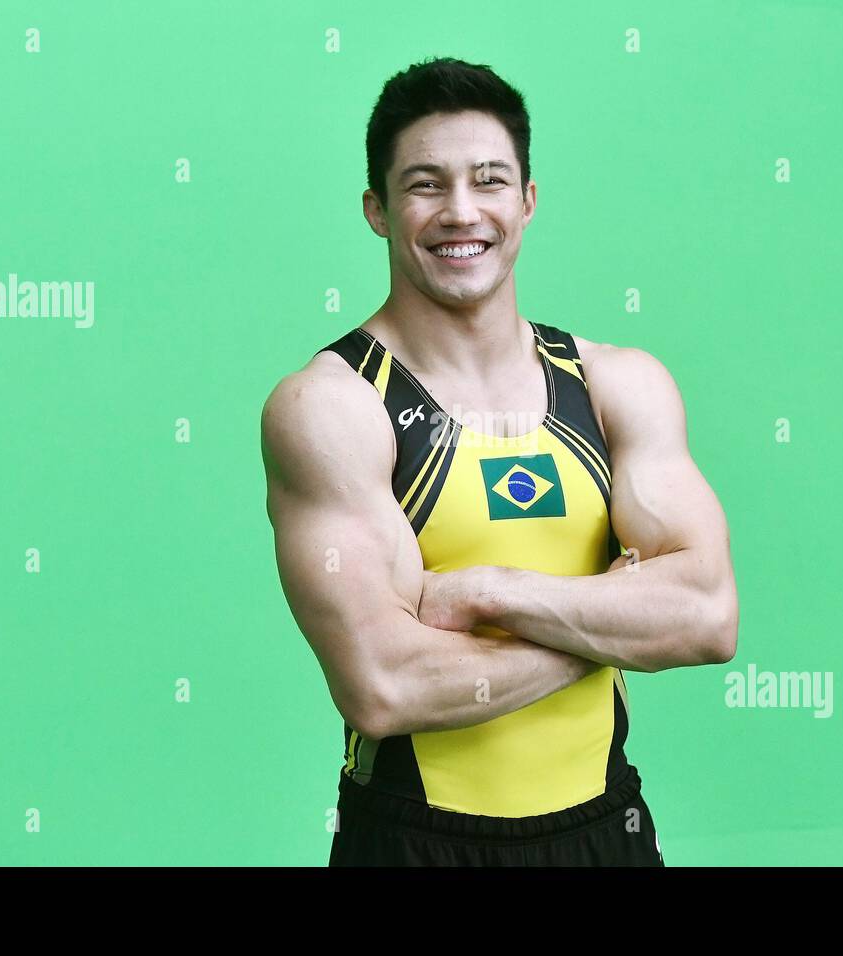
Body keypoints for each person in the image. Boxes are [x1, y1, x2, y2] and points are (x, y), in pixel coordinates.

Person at [260, 57, 738, 866]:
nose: (460, 212)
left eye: (488, 181)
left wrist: (490, 592)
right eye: (424, 185)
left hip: (603, 832)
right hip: (418, 843)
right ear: (377, 209)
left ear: (527, 201)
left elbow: (708, 618)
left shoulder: (619, 385)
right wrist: (616, 619)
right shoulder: (331, 408)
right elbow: (386, 686)